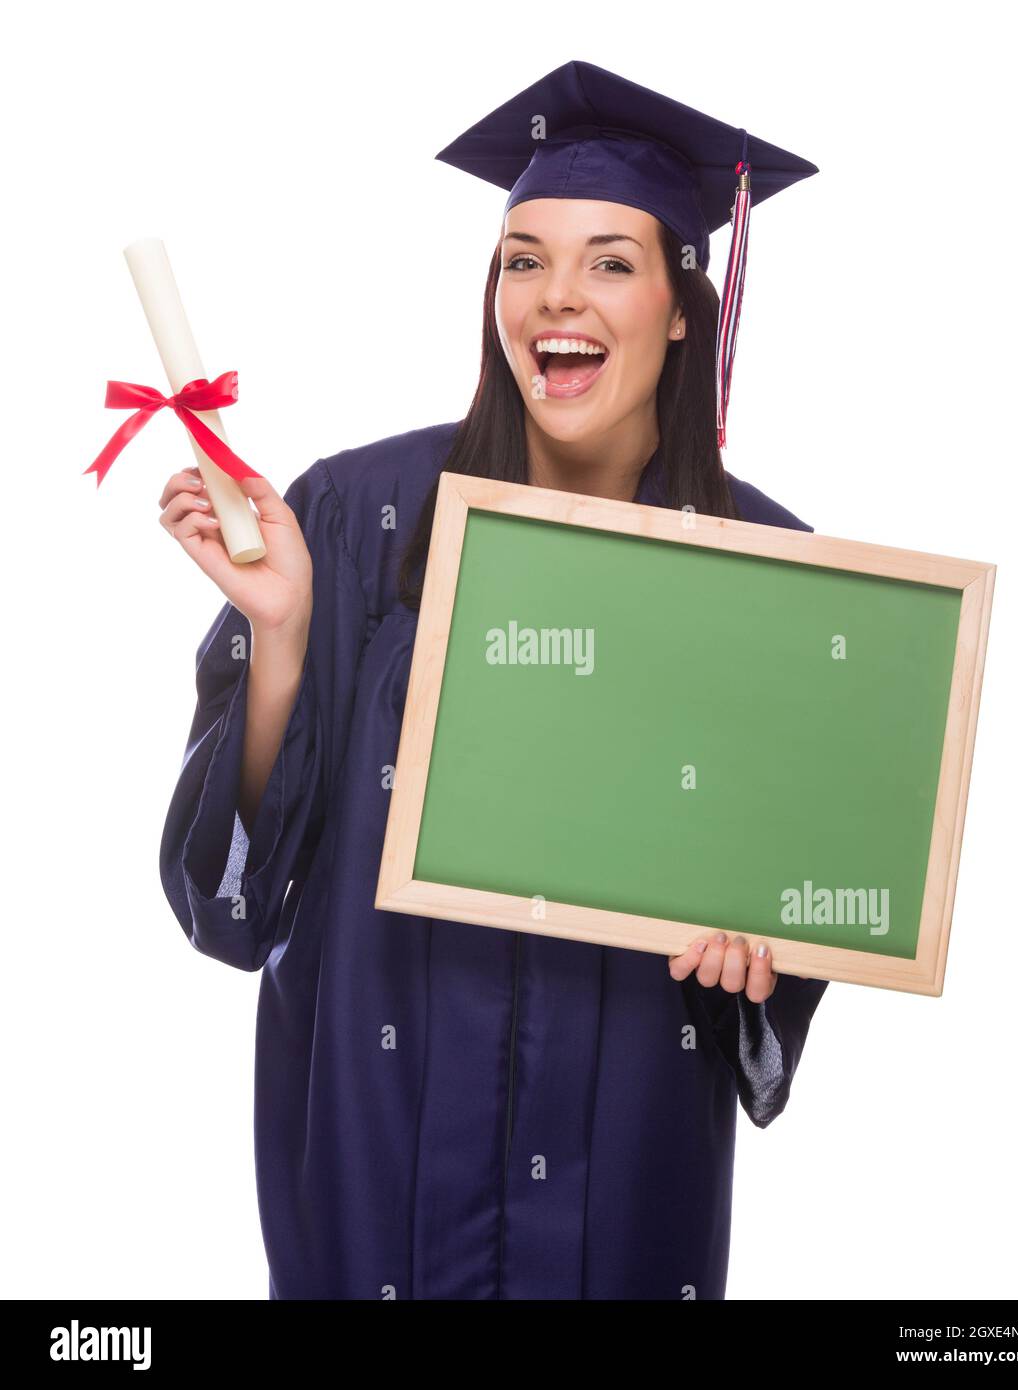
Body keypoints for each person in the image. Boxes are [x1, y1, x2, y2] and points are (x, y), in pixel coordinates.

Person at [158, 60, 829, 1301]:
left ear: (685, 307)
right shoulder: (354, 517)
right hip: (371, 1175)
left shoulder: (768, 572)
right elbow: (235, 912)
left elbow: (802, 918)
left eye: (610, 262)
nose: (554, 296)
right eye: (522, 259)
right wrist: (285, 638)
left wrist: (763, 949)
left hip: (624, 1184)